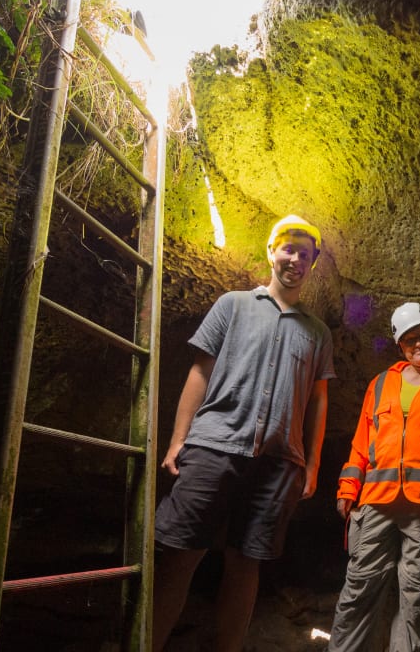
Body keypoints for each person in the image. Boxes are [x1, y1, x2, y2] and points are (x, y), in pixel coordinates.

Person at [152, 215, 335, 652]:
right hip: (215, 445)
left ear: (311, 266)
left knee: (246, 564)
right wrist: (179, 439)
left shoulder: (318, 332)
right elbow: (200, 371)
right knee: (180, 558)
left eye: (305, 254)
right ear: (272, 251)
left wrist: (311, 464)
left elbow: (318, 400)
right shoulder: (232, 305)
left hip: (277, 464)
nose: (295, 259)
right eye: (289, 248)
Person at [328, 303, 420, 652]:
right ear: (399, 344)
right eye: (411, 339)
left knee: (418, 601)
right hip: (377, 501)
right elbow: (362, 442)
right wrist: (348, 487)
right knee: (358, 590)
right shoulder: (381, 383)